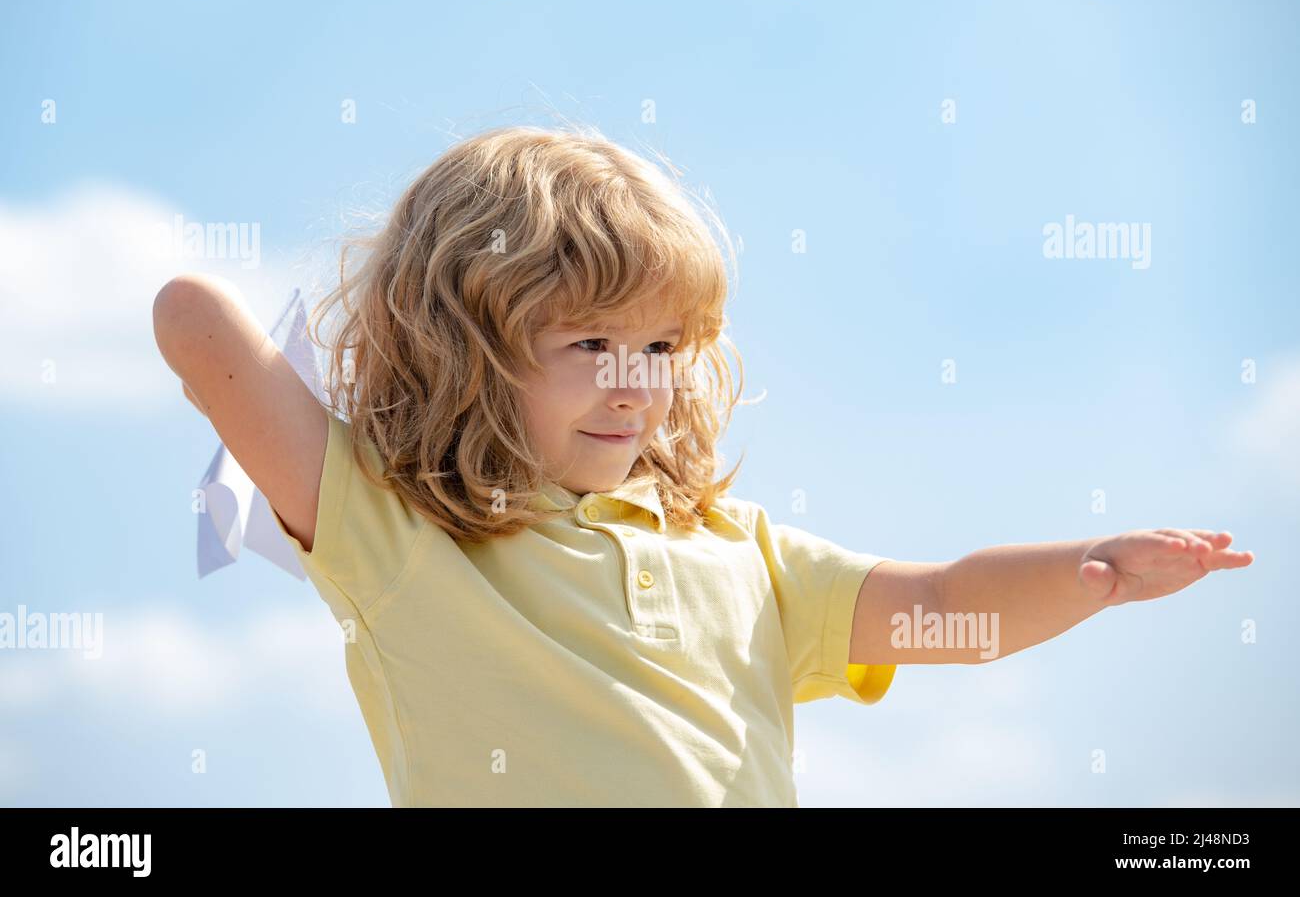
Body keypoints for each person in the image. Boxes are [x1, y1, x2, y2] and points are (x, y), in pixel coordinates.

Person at [152, 124, 1254, 807]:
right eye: (588, 341)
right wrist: (414, 383)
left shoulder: (743, 553)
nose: (634, 381)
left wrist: (1091, 566)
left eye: (662, 346)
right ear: (467, 348)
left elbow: (941, 605)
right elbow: (192, 320)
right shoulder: (396, 539)